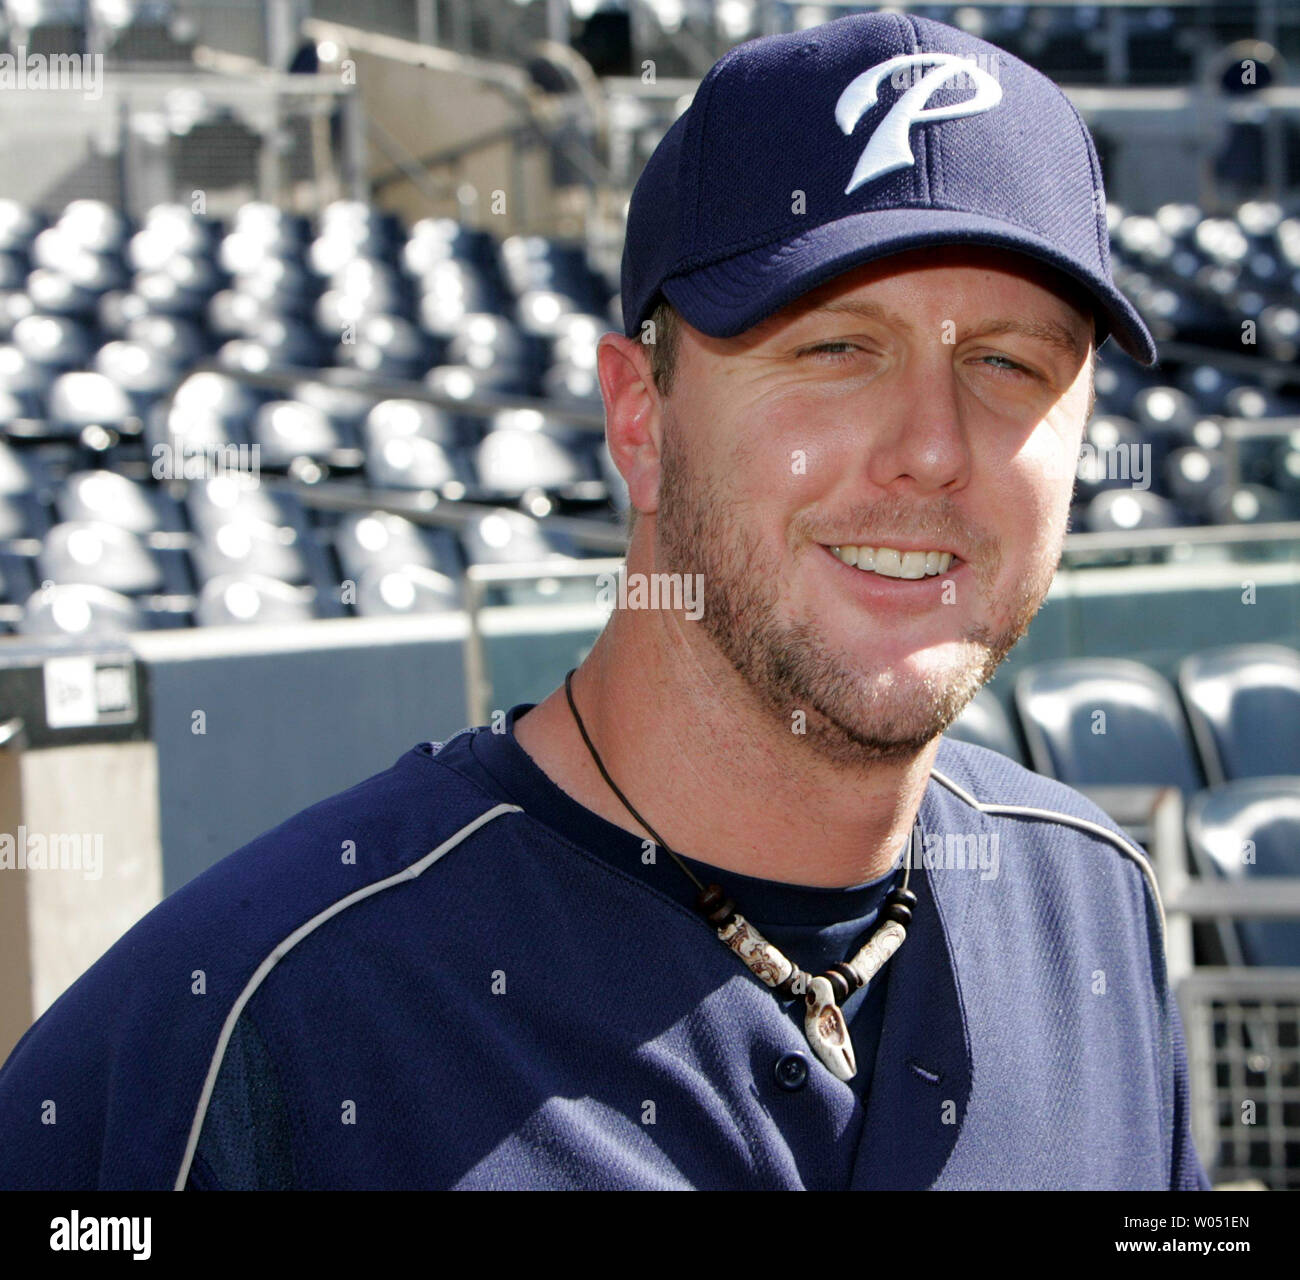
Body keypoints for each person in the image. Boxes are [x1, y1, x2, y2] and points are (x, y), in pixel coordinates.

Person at [0, 11, 1209, 1190]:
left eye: (1008, 363)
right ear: (638, 418)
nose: (931, 448)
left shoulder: (1093, 904)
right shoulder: (246, 1028)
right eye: (835, 348)